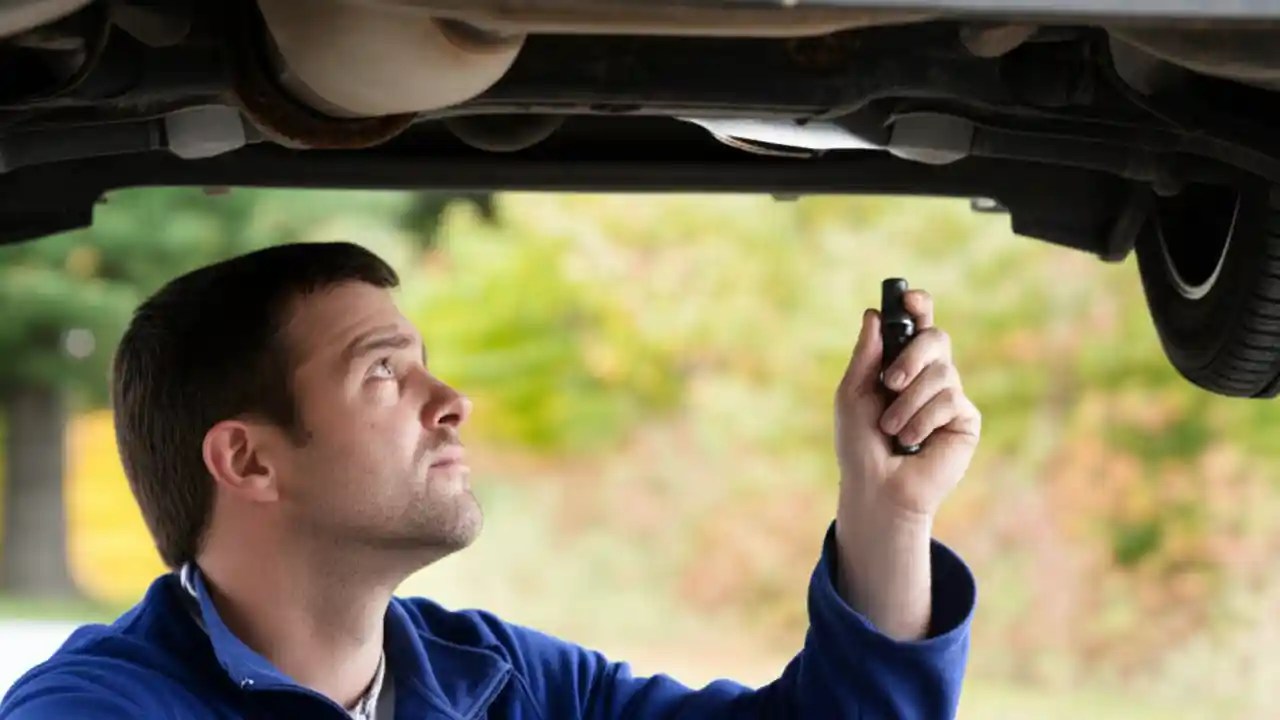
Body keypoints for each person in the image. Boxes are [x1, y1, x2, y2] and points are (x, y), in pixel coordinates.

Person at [0, 241, 981, 720]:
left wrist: (886, 511)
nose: (451, 398)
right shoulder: (95, 713)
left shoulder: (501, 682)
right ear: (249, 460)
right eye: (383, 371)